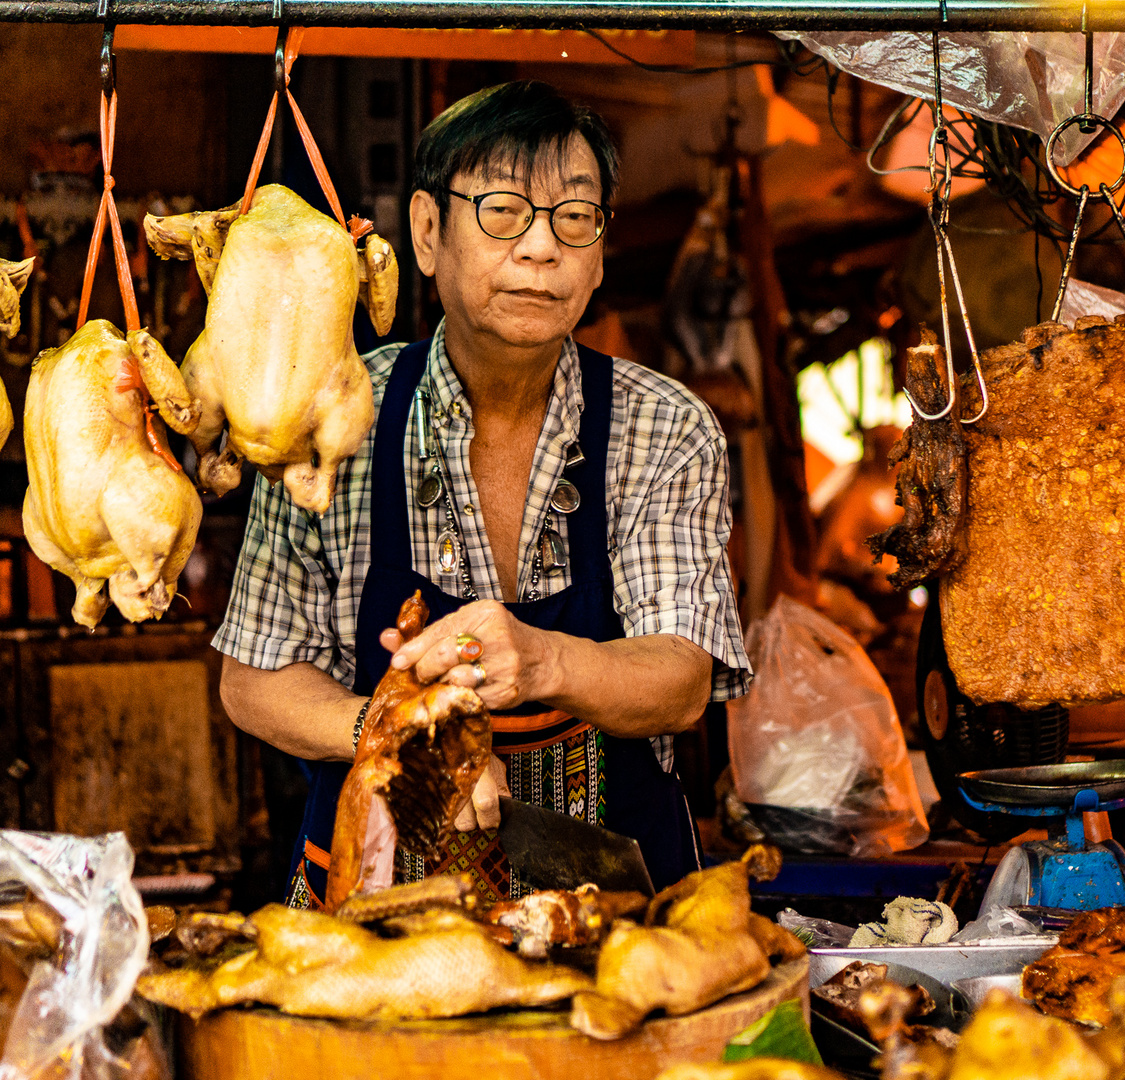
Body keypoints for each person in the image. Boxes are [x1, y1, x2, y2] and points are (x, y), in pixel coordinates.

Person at [213, 80, 751, 907]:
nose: (541, 248)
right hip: (372, 914)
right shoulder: (329, 419)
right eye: (503, 210)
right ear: (428, 233)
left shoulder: (667, 428)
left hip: (617, 916)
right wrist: (409, 743)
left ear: (600, 252)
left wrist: (539, 659)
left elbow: (681, 679)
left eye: (574, 218)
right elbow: (255, 680)